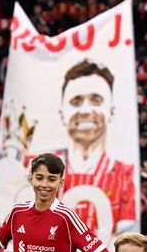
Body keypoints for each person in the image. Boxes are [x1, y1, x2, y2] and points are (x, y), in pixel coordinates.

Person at [59, 59, 138, 236]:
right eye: (76, 102)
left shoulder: (124, 176)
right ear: (61, 113)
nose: (86, 110)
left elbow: (125, 232)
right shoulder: (42, 171)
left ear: (111, 110)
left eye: (96, 100)